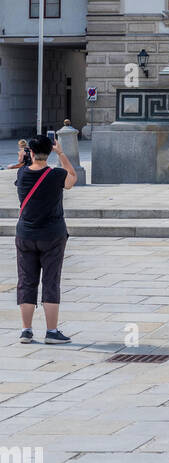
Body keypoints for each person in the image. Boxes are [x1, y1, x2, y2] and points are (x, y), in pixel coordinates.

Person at [16, 134, 77, 344]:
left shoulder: (23, 174)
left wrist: (26, 157)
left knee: (26, 280)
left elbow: (26, 167)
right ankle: (51, 332)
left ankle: (26, 330)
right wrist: (61, 153)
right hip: (52, 235)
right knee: (50, 281)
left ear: (30, 152)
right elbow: (72, 179)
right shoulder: (56, 174)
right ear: (49, 152)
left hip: (25, 234)